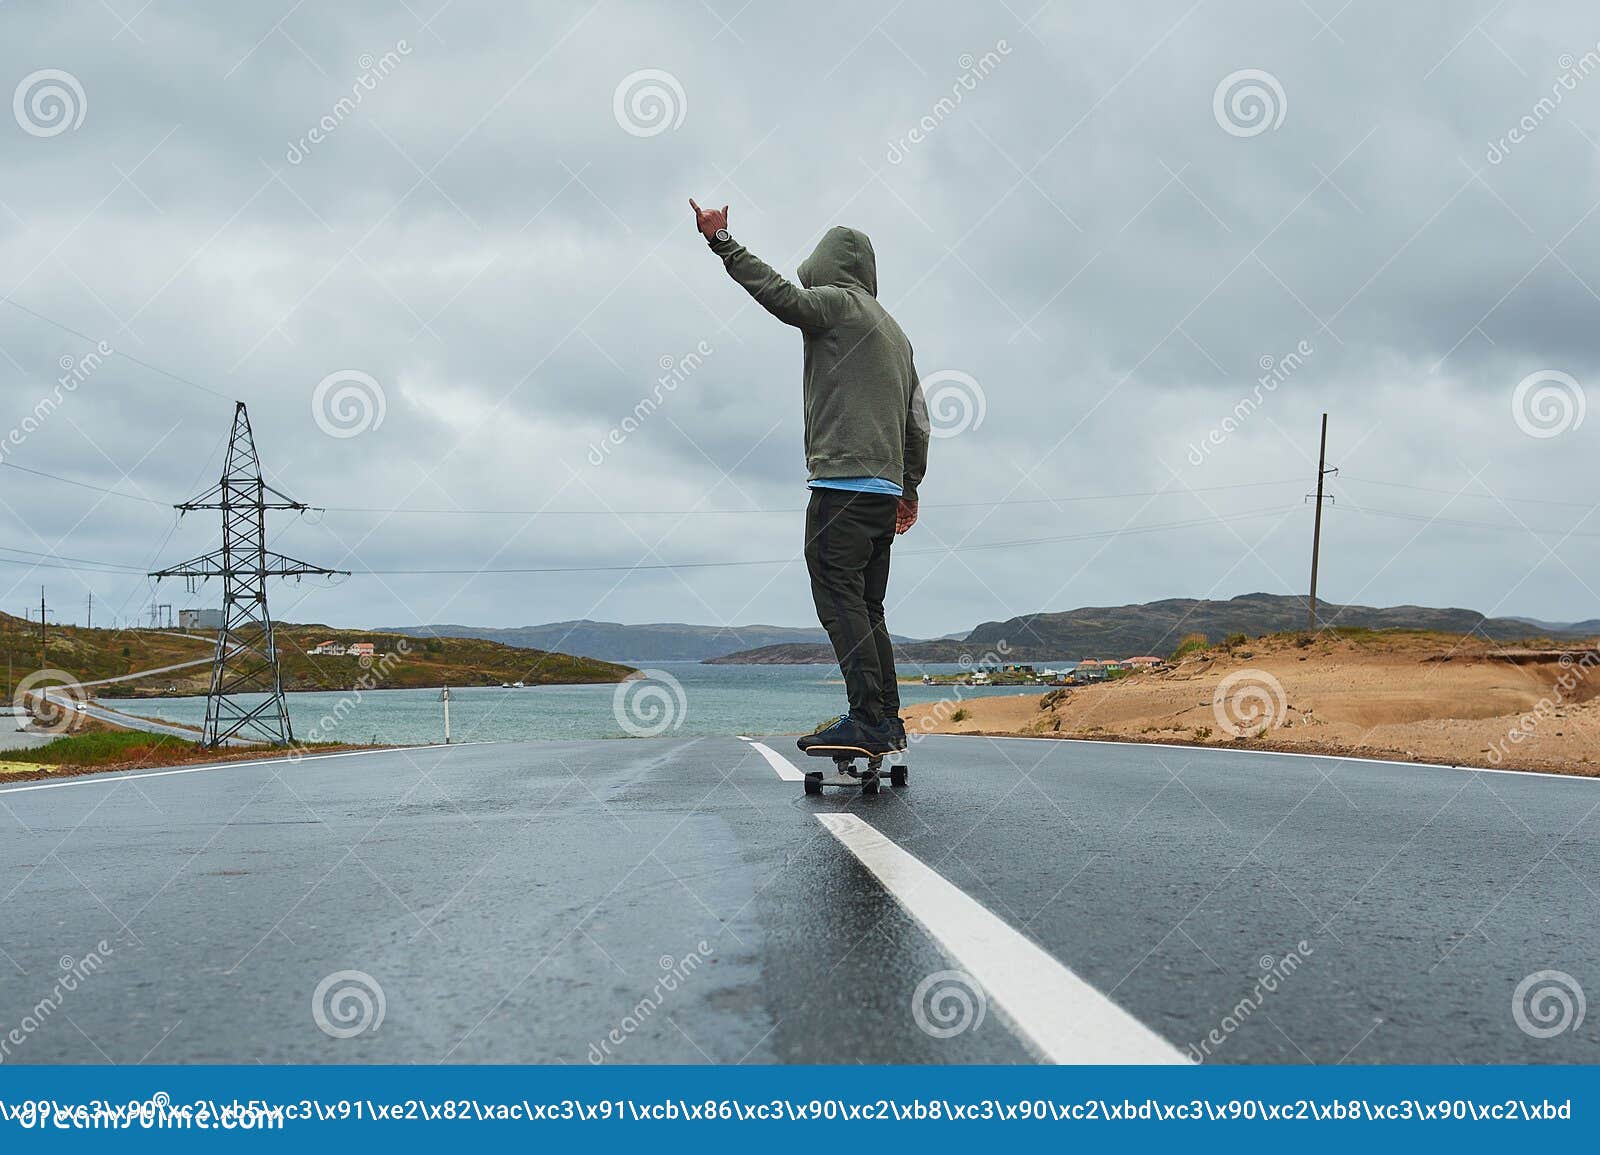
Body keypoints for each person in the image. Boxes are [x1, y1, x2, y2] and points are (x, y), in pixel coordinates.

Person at [690, 199, 928, 756]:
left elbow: (783, 297)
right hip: (882, 493)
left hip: (841, 486)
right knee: (868, 608)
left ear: (830, 267)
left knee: (838, 600)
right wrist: (909, 488)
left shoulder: (839, 306)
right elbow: (918, 421)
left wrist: (722, 241)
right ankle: (888, 720)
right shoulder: (897, 334)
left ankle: (867, 720)